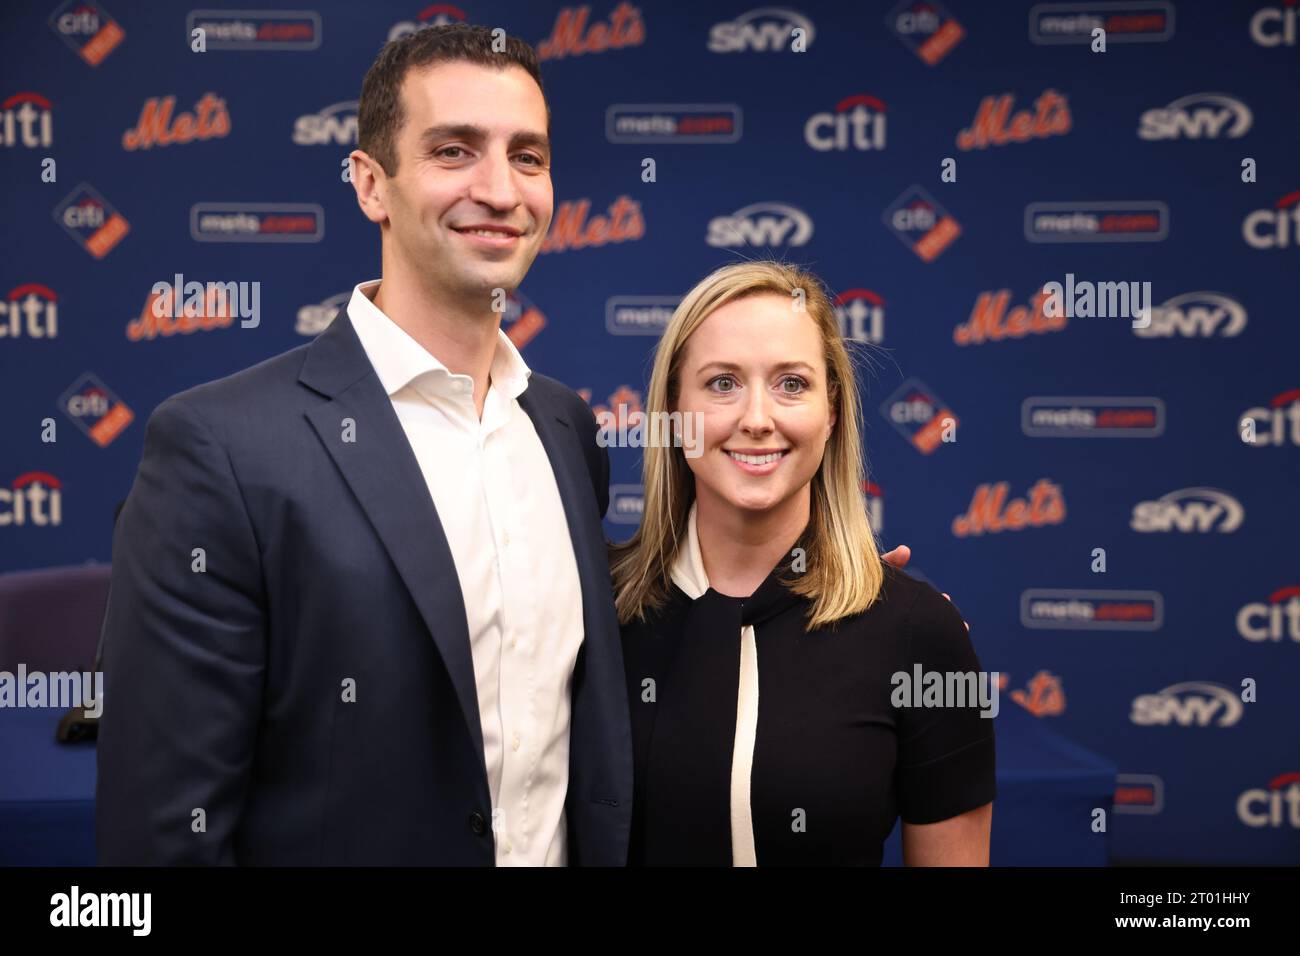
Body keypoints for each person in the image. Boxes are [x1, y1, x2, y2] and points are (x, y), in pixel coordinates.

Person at [95, 24, 926, 866]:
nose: (500, 189)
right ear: (370, 184)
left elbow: (653, 625)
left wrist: (846, 607)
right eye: (455, 151)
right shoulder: (223, 447)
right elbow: (160, 835)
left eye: (528, 157)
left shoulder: (563, 430)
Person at [611, 261, 996, 866]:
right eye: (721, 383)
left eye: (792, 383)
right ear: (671, 413)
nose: (758, 419)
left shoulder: (920, 631)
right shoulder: (592, 609)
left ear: (833, 410)